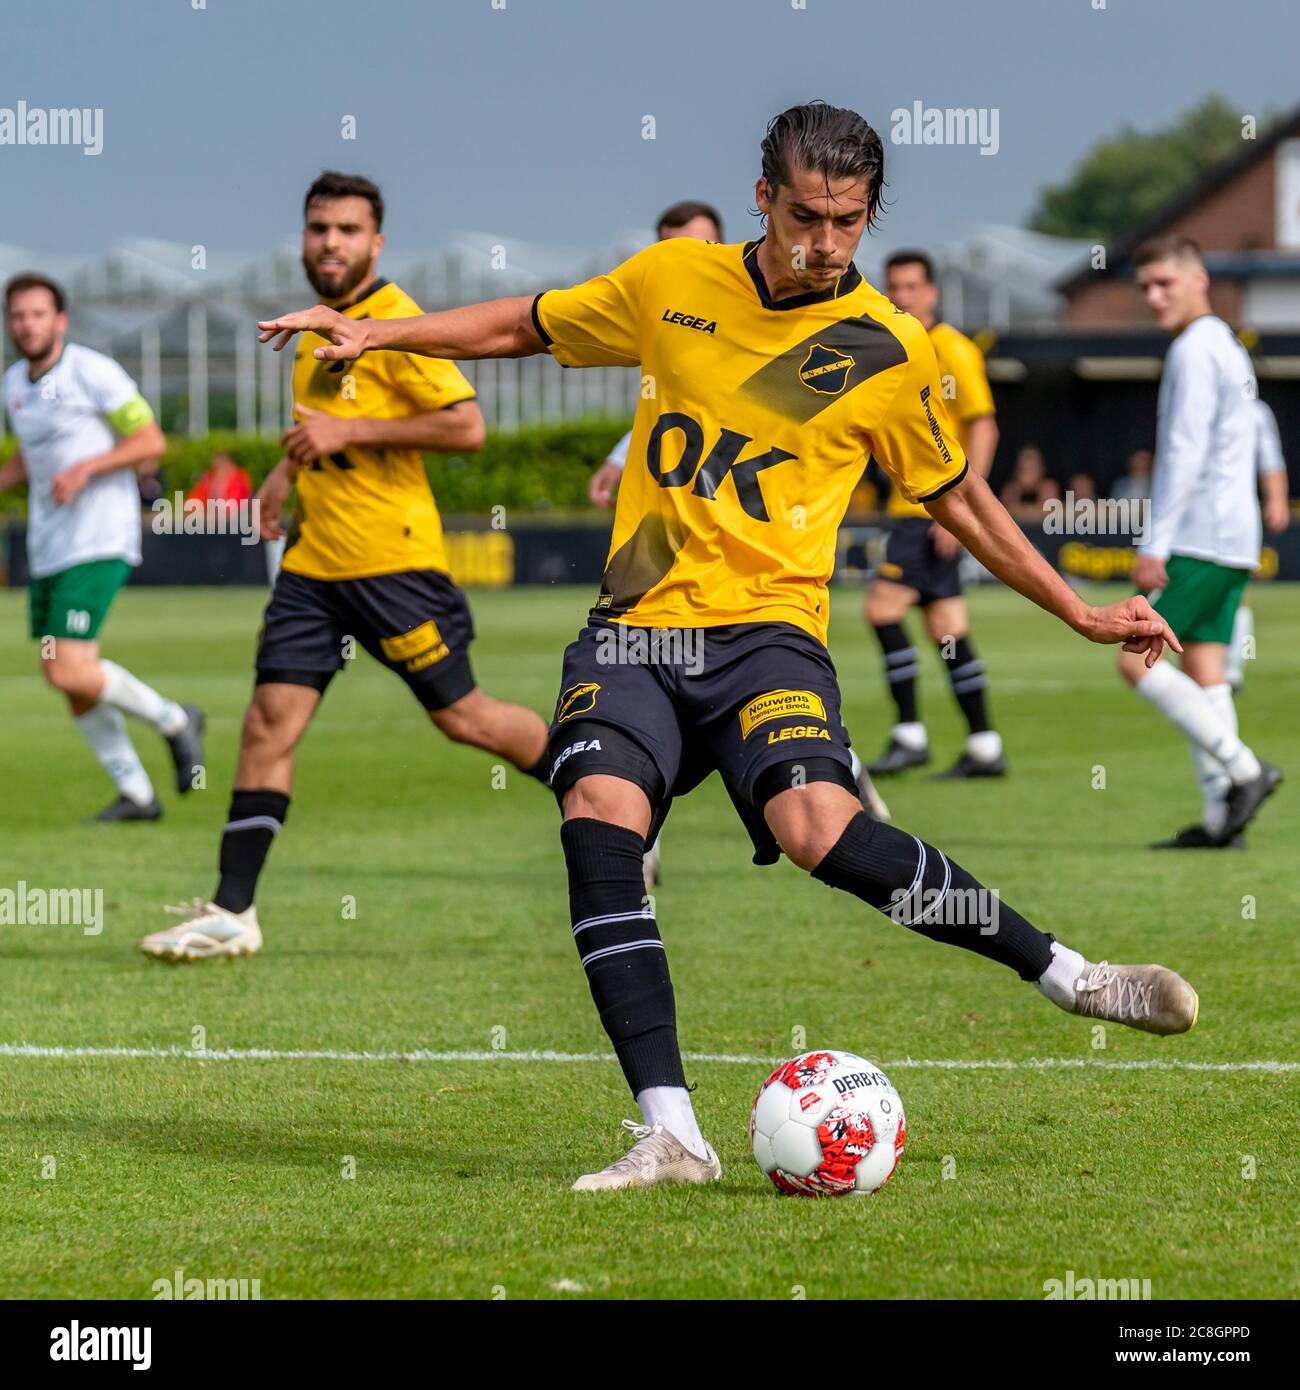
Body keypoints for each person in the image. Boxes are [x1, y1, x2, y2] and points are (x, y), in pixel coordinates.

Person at [257, 104, 1200, 1192]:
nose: (824, 243)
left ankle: (1074, 977)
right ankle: (674, 1134)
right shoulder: (673, 280)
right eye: (804, 216)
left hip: (767, 638)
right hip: (634, 626)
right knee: (597, 814)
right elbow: (527, 323)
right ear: (762, 198)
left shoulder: (884, 347)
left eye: (847, 222)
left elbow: (957, 497)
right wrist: (381, 334)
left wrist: (1077, 610)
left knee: (819, 831)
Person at [139, 172, 550, 961]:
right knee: (267, 723)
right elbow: (324, 423)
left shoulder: (395, 322)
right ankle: (232, 912)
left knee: (464, 718)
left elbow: (465, 428)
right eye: (319, 227)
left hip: (393, 564)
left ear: (377, 243)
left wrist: (346, 434)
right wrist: (284, 473)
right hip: (314, 567)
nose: (331, 242)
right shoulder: (310, 327)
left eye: (348, 230)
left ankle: (612, 803)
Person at [1, 273, 205, 821]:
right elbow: (27, 458)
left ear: (60, 320)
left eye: (38, 314)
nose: (27, 324)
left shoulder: (91, 371)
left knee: (65, 668)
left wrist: (87, 468)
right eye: (18, 315)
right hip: (49, 545)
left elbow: (150, 440)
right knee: (71, 678)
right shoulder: (13, 384)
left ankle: (175, 720)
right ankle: (137, 794)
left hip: (97, 536)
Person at [1119, 236, 1280, 849]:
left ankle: (1244, 771)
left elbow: (1183, 452)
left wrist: (1154, 543)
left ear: (1199, 278)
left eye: (1165, 283)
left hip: (1198, 537)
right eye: (1146, 287)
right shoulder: (1228, 345)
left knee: (1134, 659)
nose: (1155, 296)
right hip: (1234, 538)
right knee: (1206, 668)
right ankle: (1221, 822)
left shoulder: (1192, 349)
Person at [863, 250, 1005, 780]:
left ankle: (910, 736)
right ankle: (985, 746)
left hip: (928, 511)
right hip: (919, 510)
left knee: (881, 611)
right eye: (894, 287)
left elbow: (983, 424)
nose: (901, 296)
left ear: (932, 292)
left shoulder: (953, 349)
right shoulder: (897, 347)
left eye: (911, 287)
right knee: (948, 630)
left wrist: (966, 509)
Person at [1225, 398, 1290, 691]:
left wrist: (1277, 499)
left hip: (1236, 513)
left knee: (1237, 590)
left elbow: (1271, 459)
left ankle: (1233, 667)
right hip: (1193, 517)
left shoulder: (1256, 412)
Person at [999, 445, 1060, 520]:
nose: (1029, 475)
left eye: (1032, 469)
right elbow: (1007, 515)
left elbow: (1050, 516)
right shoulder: (1011, 490)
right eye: (1025, 469)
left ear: (1041, 469)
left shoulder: (1048, 489)